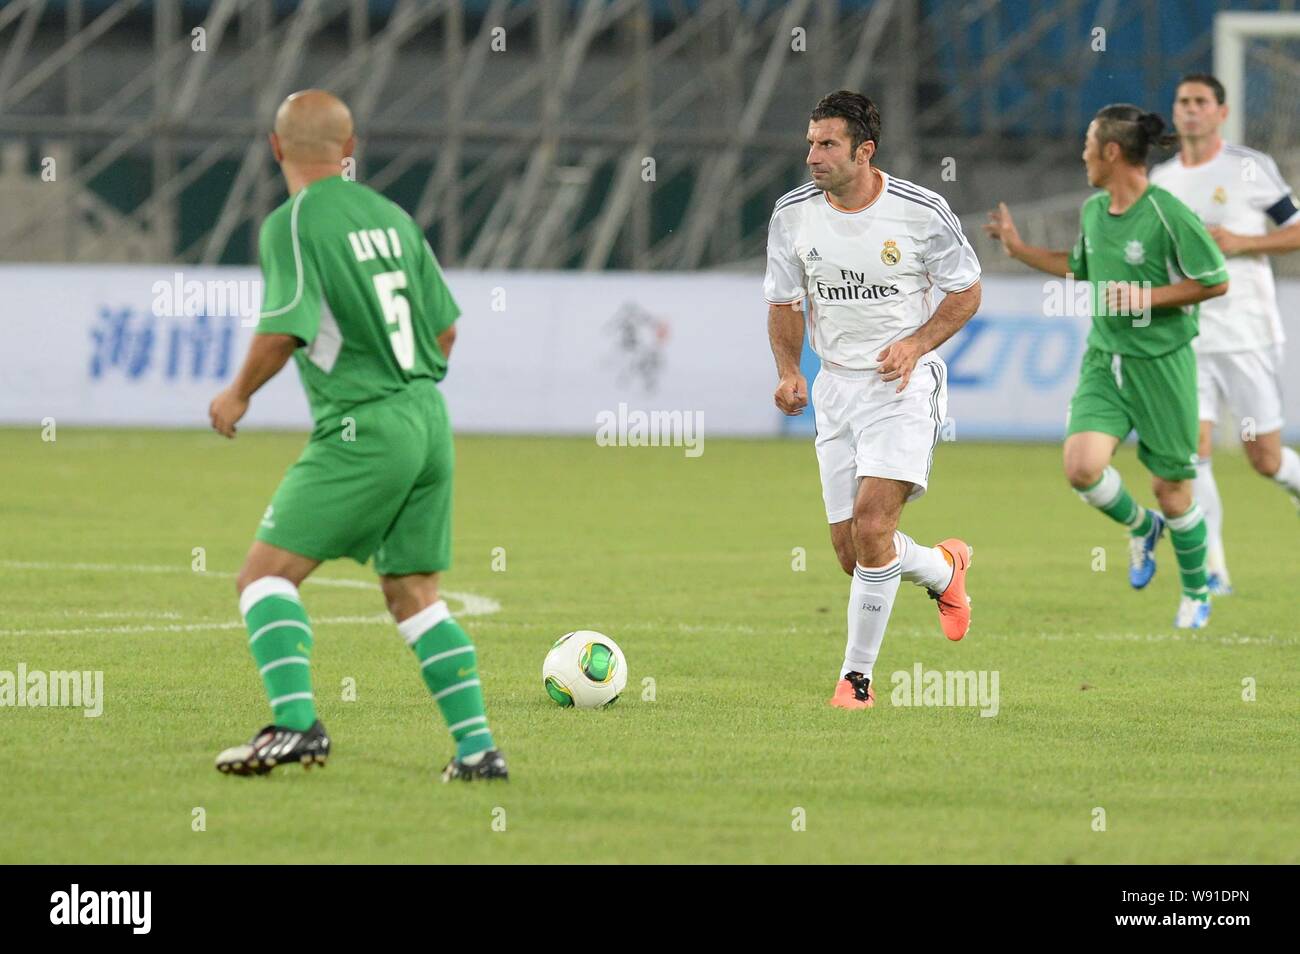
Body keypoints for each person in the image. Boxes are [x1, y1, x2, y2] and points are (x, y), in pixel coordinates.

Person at [207, 90, 506, 781]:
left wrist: (236, 394)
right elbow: (447, 328)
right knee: (411, 593)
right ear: (350, 150)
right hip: (428, 419)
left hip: (363, 423)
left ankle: (294, 726)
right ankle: (477, 752)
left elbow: (284, 327)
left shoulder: (293, 222)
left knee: (262, 578)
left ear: (276, 148)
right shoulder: (393, 217)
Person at [765, 90, 982, 710]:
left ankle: (856, 679)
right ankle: (944, 570)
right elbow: (784, 302)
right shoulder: (791, 214)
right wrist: (789, 370)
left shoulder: (920, 211)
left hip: (902, 386)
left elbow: (965, 292)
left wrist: (916, 343)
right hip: (835, 386)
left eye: (827, 143)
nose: (813, 155)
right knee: (850, 552)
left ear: (864, 151)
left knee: (873, 526)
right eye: (810, 142)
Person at [985, 104, 1228, 629]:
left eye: (1089, 147)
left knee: (1173, 490)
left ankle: (1195, 593)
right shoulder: (1096, 211)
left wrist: (1147, 296)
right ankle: (1142, 528)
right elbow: (1079, 268)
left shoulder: (1169, 213)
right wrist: (1019, 247)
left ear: (1112, 152)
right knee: (1081, 467)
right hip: (1105, 360)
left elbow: (1214, 279)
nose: (1083, 156)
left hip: (1163, 366)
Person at [1150, 73, 1300, 594]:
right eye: (1182, 101)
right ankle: (1214, 570)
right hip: (1187, 335)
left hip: (1246, 330)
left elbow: (1298, 230)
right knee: (1194, 452)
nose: (1190, 109)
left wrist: (1240, 241)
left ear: (1221, 112)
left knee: (1265, 457)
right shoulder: (1163, 181)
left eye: (1200, 102)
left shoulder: (1250, 168)